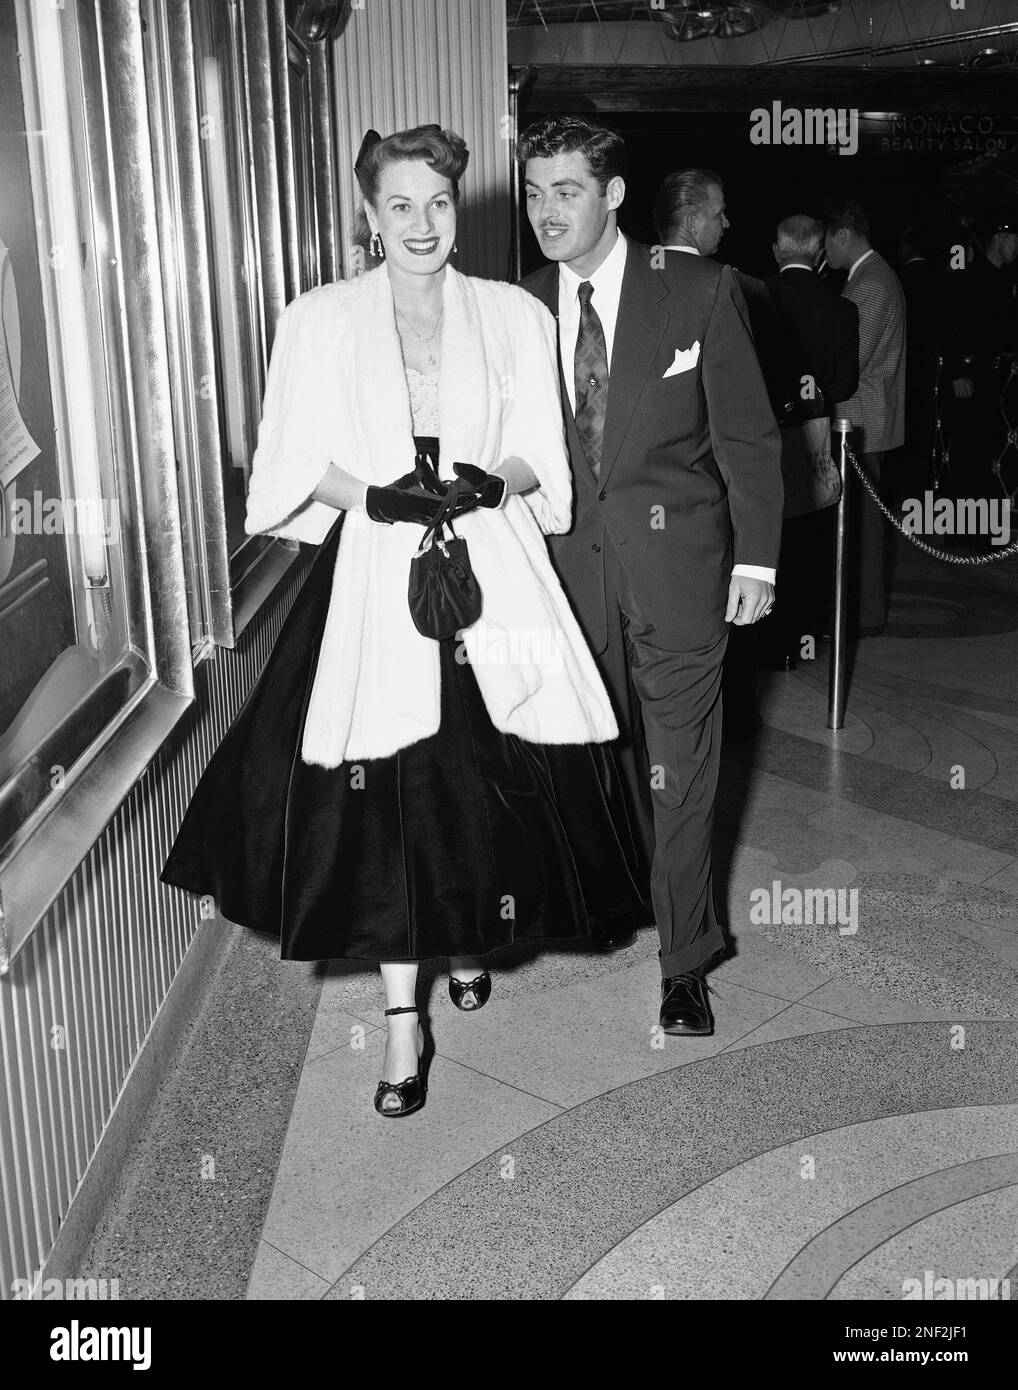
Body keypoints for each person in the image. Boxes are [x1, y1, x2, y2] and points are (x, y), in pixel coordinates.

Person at [161, 124, 643, 1117]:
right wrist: (372, 497)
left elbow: (534, 453)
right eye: (399, 206)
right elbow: (290, 458)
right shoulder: (320, 317)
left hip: (490, 569)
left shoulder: (512, 313)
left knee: (490, 775)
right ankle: (400, 1020)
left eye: (436, 205)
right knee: (385, 790)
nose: (420, 225)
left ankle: (470, 932)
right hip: (378, 577)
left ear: (454, 209)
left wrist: (485, 479)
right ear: (369, 215)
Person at [519, 116, 783, 1037]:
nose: (548, 211)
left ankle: (685, 961)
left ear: (615, 195)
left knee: (682, 768)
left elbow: (748, 437)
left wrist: (756, 557)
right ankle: (605, 896)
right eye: (536, 190)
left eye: (568, 191)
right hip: (563, 583)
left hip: (680, 572)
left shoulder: (700, 290)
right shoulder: (518, 305)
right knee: (595, 762)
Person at [763, 214, 860, 664]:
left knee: (766, 534)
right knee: (810, 535)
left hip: (763, 433)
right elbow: (844, 385)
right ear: (820, 255)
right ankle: (803, 633)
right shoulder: (840, 308)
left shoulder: (754, 296)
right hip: (817, 433)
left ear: (779, 250)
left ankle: (770, 639)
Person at [821, 195, 906, 636]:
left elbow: (854, 359)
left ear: (843, 235)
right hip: (866, 421)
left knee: (864, 530)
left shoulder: (870, 283)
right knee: (860, 526)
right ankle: (860, 611)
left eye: (827, 243)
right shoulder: (870, 277)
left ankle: (865, 615)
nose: (824, 253)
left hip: (862, 422)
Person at [940, 207, 1018, 514]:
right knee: (969, 451)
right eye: (1014, 239)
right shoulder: (969, 278)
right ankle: (964, 529)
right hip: (970, 375)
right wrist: (957, 372)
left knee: (987, 452)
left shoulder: (1004, 280)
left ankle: (980, 528)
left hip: (992, 375)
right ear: (999, 238)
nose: (1017, 247)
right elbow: (950, 328)